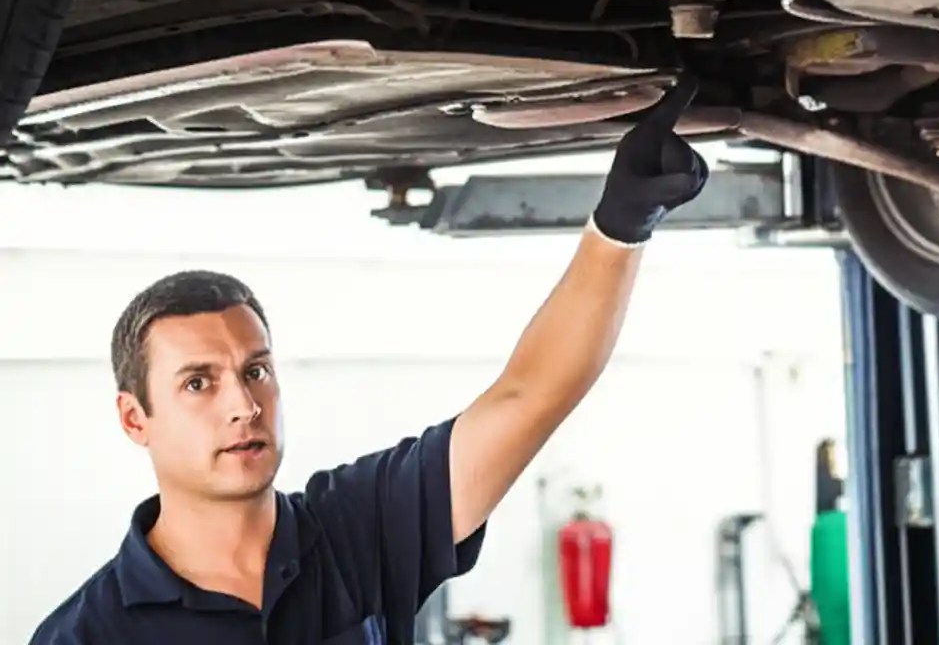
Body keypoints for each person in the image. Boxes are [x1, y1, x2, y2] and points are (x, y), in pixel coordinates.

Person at [30, 77, 708, 644]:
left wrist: (620, 225)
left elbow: (527, 396)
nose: (242, 404)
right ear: (134, 418)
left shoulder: (357, 527)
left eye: (256, 371)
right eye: (198, 383)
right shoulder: (89, 633)